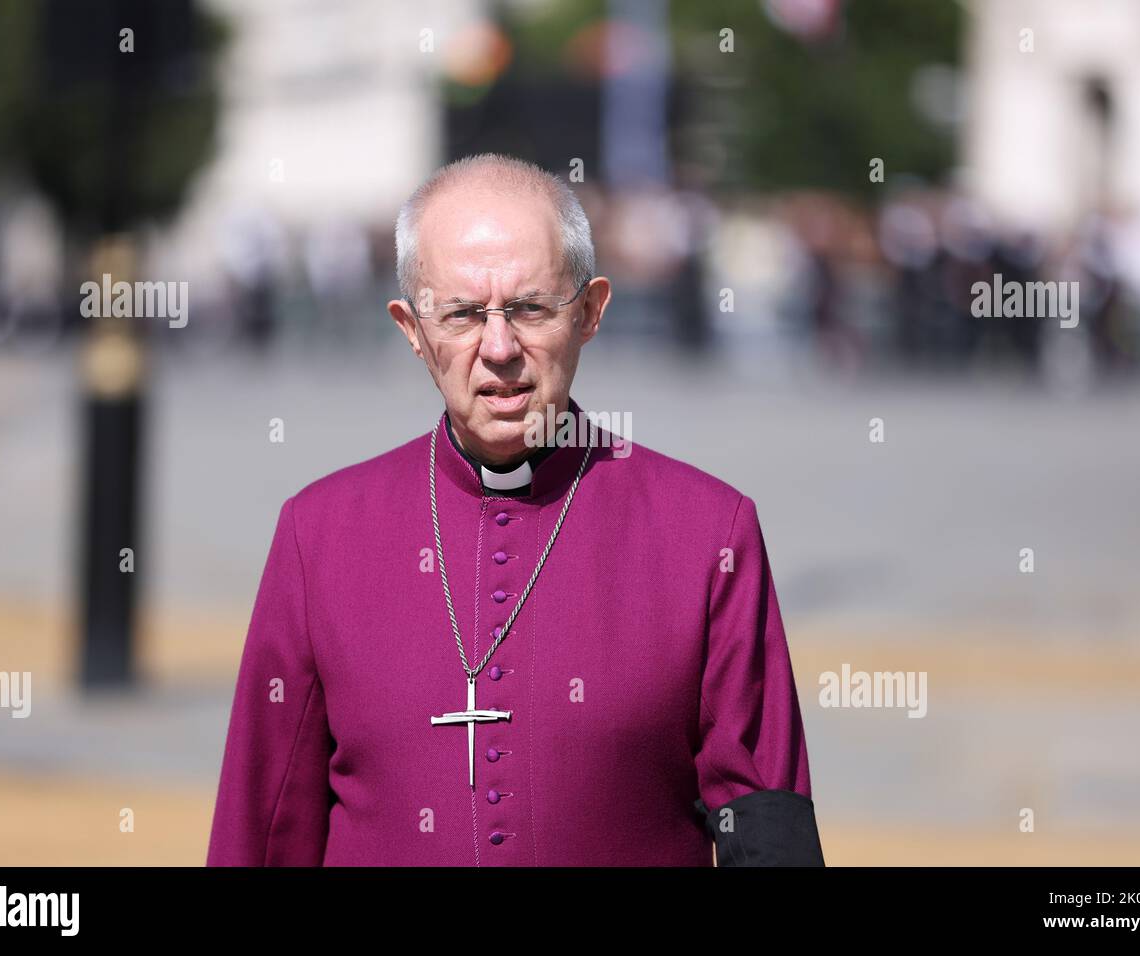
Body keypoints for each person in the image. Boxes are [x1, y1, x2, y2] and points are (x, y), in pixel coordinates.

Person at [206, 153, 825, 866]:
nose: (499, 349)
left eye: (530, 308)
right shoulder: (319, 535)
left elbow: (767, 830)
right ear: (411, 328)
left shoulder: (708, 533)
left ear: (590, 312)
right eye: (463, 314)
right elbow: (263, 822)